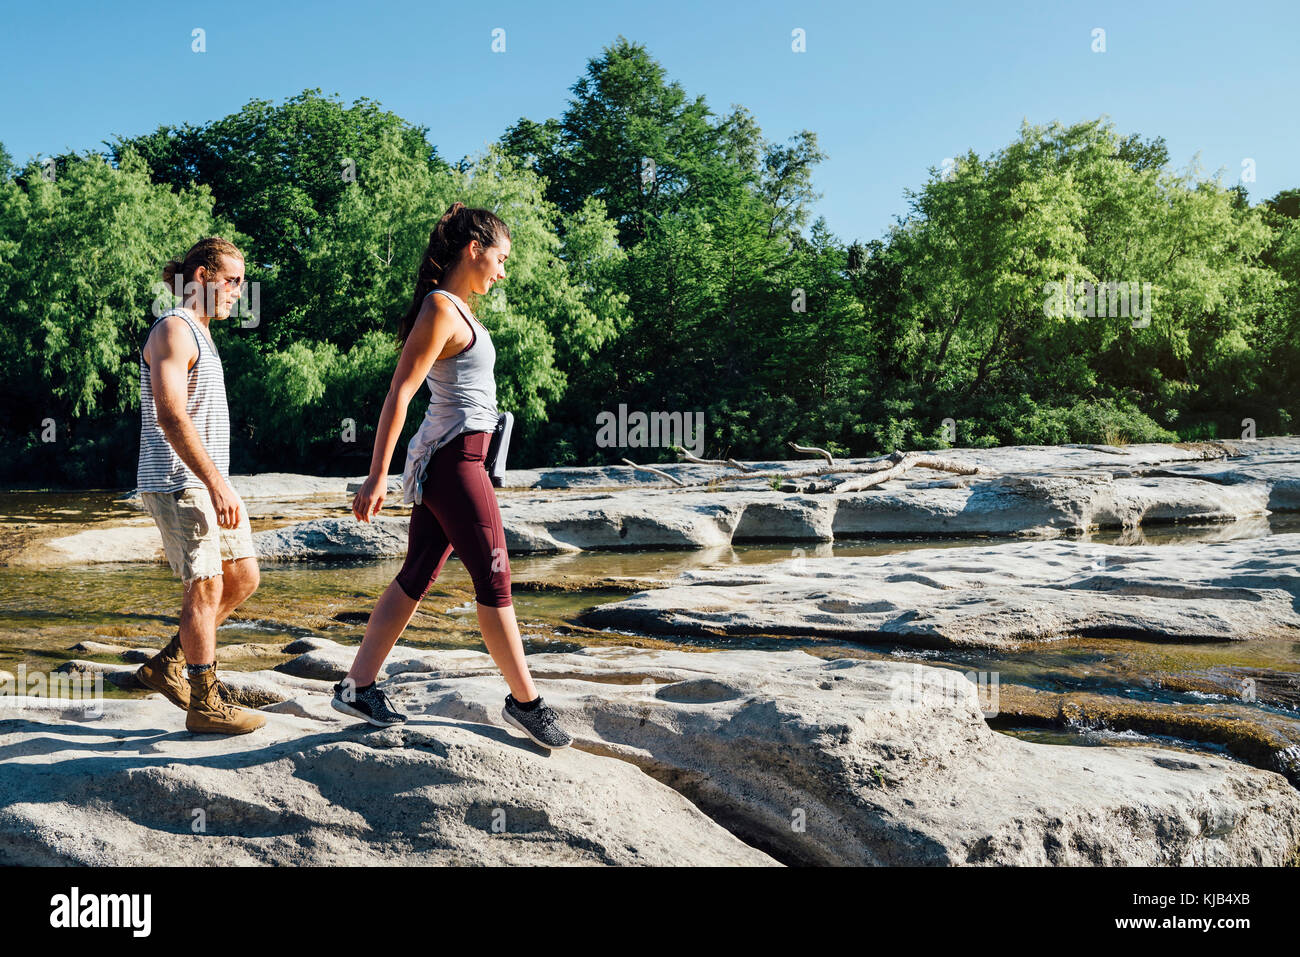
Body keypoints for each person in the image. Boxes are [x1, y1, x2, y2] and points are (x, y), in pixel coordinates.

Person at [335, 203, 571, 750]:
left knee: (416, 572)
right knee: (494, 579)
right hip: (454, 464)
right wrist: (376, 476)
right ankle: (525, 703)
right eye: (501, 258)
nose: (503, 271)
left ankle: (357, 686)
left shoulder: (457, 308)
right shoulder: (441, 308)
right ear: (474, 249)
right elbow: (400, 392)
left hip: (458, 460)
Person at [133, 237, 266, 735]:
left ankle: (170, 662)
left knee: (243, 577)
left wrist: (219, 482)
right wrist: (215, 483)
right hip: (178, 480)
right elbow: (171, 415)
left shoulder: (202, 334)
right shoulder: (173, 328)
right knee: (205, 584)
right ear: (203, 278)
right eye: (232, 281)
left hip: (207, 481)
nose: (238, 291)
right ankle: (205, 701)